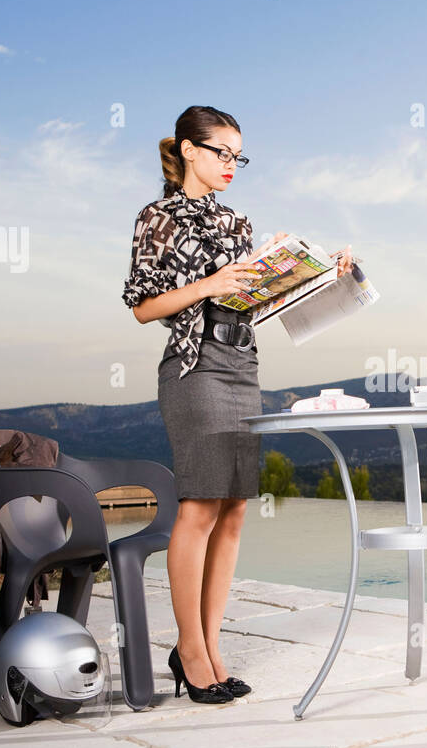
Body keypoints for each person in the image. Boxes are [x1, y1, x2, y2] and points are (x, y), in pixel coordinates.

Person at [122, 105, 352, 703]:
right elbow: (144, 306)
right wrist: (209, 285)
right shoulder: (157, 217)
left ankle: (211, 645)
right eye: (222, 152)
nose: (232, 165)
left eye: (238, 155)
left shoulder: (236, 222)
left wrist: (323, 273)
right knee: (198, 507)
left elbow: (260, 304)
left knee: (234, 511)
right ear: (189, 150)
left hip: (242, 364)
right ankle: (191, 651)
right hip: (194, 366)